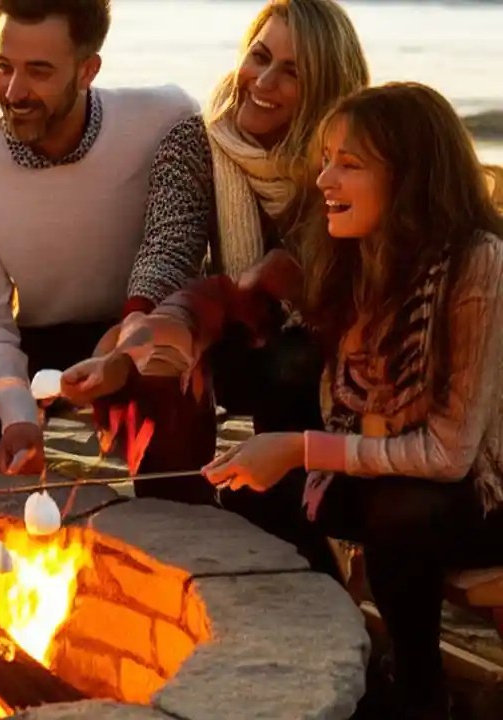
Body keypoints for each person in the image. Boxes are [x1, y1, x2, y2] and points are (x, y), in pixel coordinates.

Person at [200, 83, 503, 720]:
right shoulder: (360, 259)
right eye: (326, 158)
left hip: (486, 494)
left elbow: (450, 455)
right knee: (250, 495)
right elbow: (348, 401)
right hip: (406, 476)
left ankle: (420, 688)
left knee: (401, 508)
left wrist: (300, 448)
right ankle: (345, 643)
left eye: (350, 164)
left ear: (411, 178)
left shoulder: (479, 265)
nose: (324, 179)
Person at [63, 0, 368, 531]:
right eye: (260, 56)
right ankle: (176, 516)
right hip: (230, 330)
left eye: (292, 72)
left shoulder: (346, 161)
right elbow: (168, 245)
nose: (263, 81)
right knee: (160, 352)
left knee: (291, 360)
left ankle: (295, 518)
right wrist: (137, 325)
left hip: (329, 345)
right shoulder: (196, 141)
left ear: (325, 87)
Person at [0, 0, 197, 475]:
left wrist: (131, 347)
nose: (14, 91)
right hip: (42, 337)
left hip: (140, 325)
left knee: (175, 429)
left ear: (87, 71)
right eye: (4, 67)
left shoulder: (165, 117)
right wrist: (18, 418)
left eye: (39, 71)